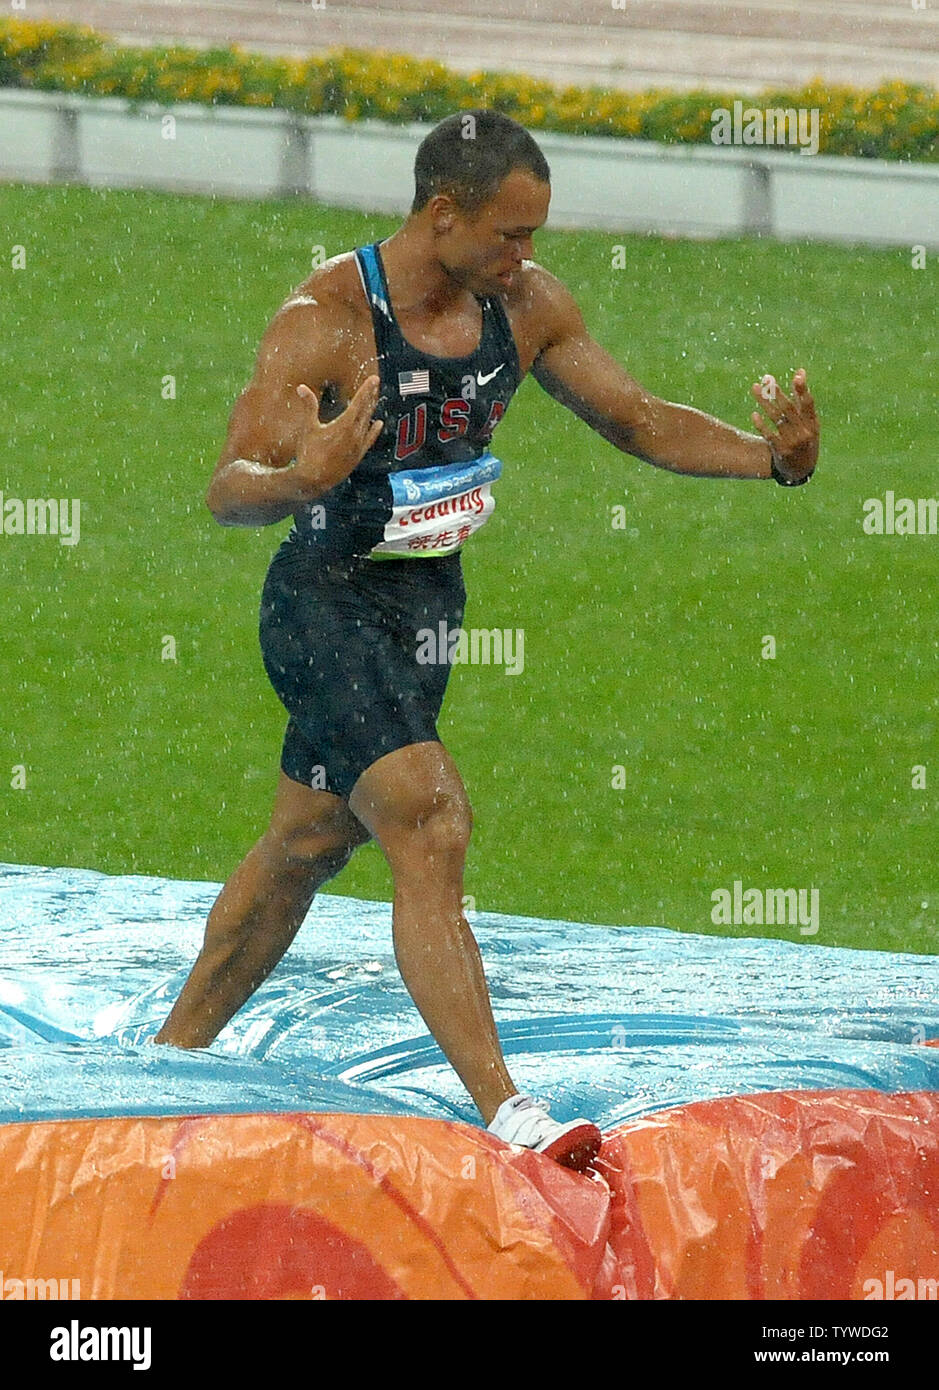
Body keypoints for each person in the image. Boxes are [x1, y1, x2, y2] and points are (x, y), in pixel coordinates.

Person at [154, 109, 819, 1172]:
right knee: (430, 819)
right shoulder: (327, 319)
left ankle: (168, 1057)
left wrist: (770, 462)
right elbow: (228, 488)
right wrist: (298, 479)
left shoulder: (524, 305)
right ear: (443, 212)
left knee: (312, 840)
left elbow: (636, 418)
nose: (526, 257)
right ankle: (510, 1109)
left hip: (427, 614)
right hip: (325, 606)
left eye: (535, 236)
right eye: (509, 235)